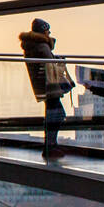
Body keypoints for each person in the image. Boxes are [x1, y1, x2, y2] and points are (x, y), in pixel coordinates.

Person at [18, 17, 73, 160]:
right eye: (47, 30)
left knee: (53, 113)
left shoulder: (31, 45)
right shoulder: (42, 46)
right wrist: (60, 61)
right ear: (43, 31)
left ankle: (50, 145)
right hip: (50, 85)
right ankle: (50, 146)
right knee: (57, 114)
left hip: (41, 84)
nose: (49, 33)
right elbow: (51, 65)